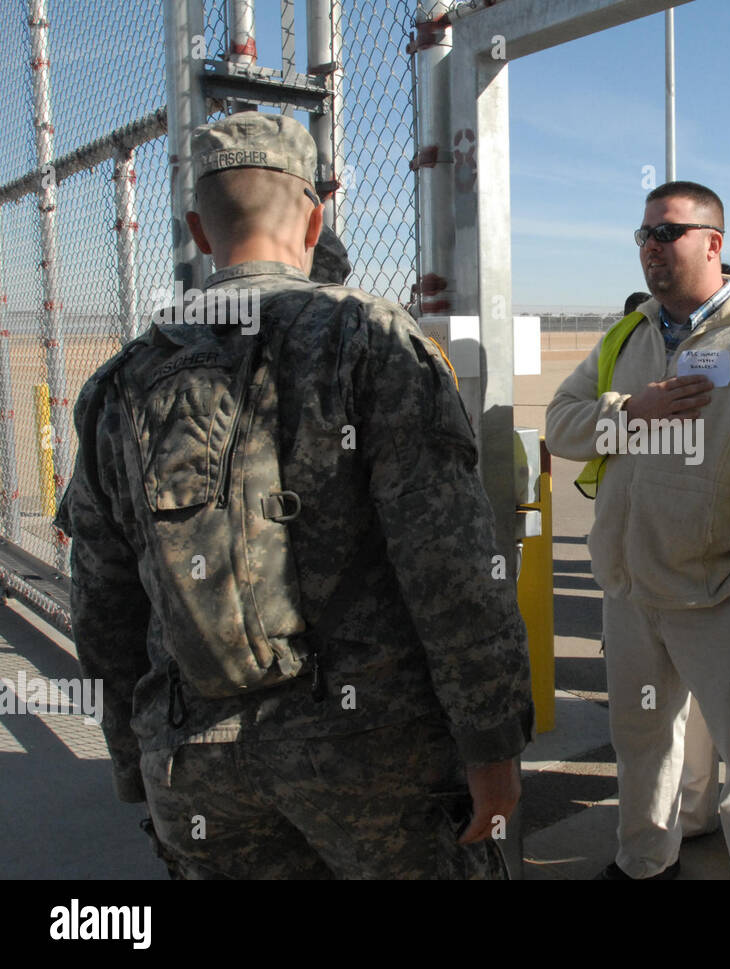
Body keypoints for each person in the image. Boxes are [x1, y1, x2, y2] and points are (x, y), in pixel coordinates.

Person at [56, 111, 532, 879]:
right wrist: (492, 742)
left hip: (195, 765)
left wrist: (131, 753)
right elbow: (451, 570)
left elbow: (104, 602)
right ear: (314, 219)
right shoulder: (370, 340)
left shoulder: (121, 383)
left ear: (198, 232)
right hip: (374, 761)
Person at [547, 180, 730, 879]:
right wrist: (629, 409)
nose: (651, 246)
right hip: (633, 589)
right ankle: (646, 859)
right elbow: (561, 425)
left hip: (722, 597)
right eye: (643, 234)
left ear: (713, 242)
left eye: (667, 232)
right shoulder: (627, 335)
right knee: (642, 740)